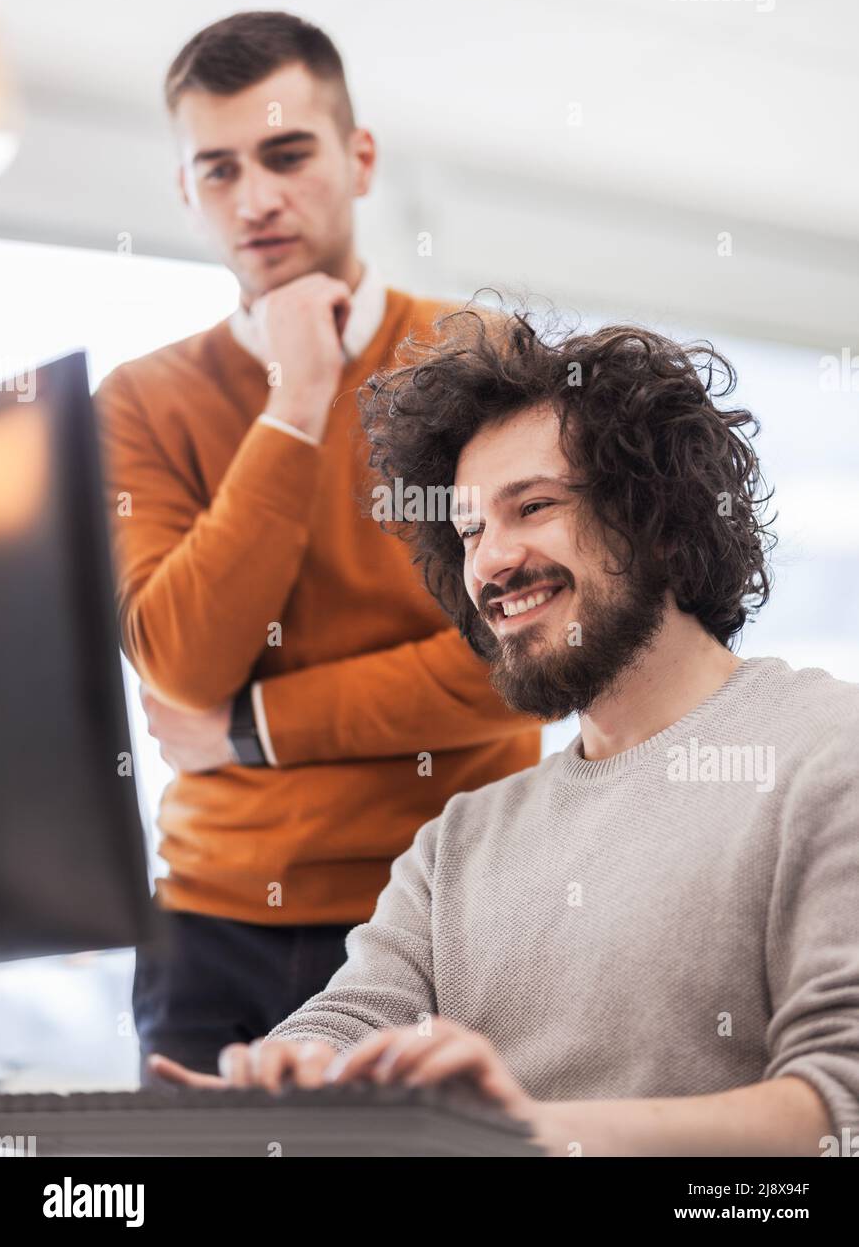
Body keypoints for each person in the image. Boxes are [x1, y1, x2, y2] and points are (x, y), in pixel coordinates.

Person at [152, 311, 859, 1157]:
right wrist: (284, 1085)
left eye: (532, 506)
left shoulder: (829, 751)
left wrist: (526, 1134)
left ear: (661, 520)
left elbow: (839, 1112)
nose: (489, 562)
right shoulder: (459, 841)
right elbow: (349, 1021)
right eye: (472, 530)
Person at [93, 15, 540, 1081]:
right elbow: (181, 658)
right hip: (212, 922)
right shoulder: (142, 402)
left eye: (287, 155)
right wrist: (295, 398)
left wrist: (248, 727)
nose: (255, 198)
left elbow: (508, 659)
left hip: (449, 901)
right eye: (219, 169)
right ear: (185, 190)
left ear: (359, 158)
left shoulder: (478, 357)